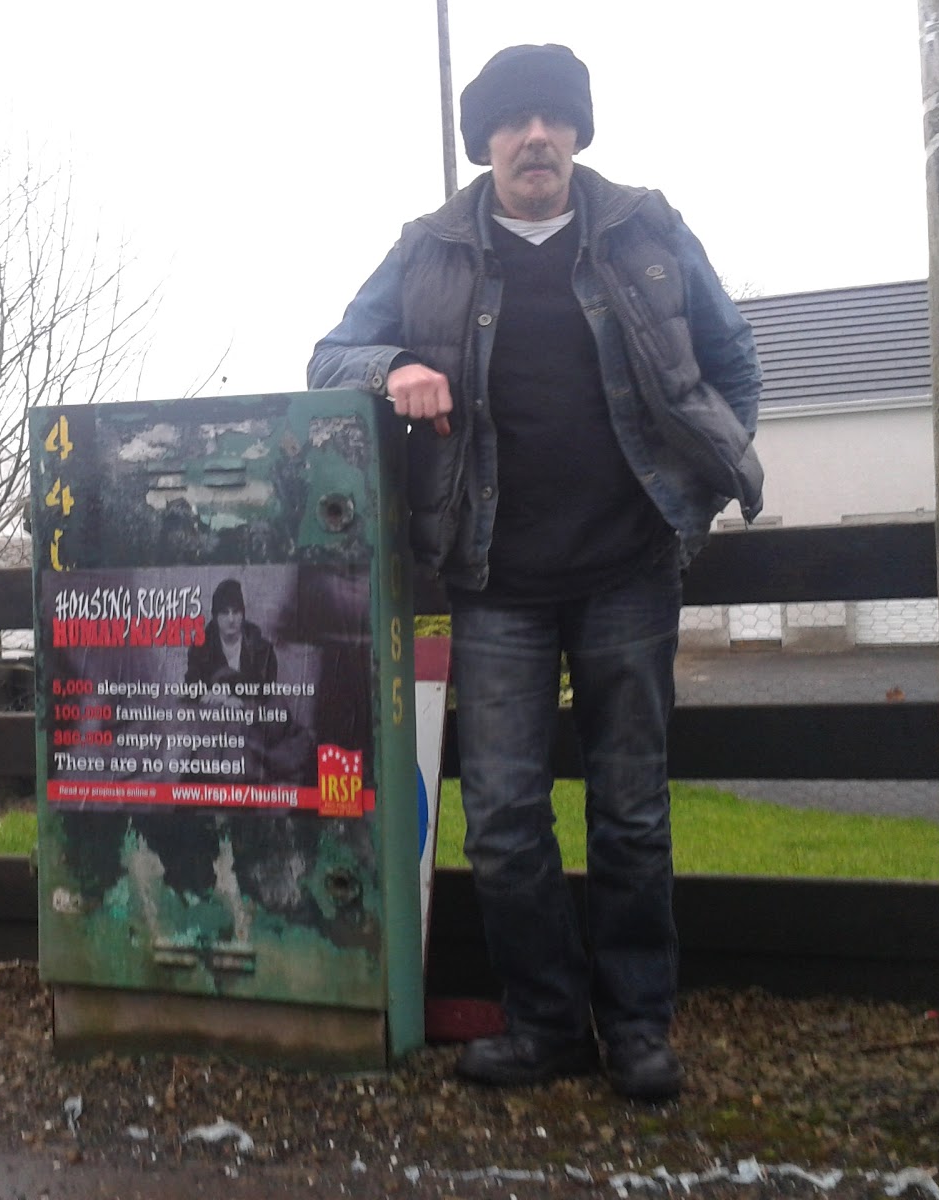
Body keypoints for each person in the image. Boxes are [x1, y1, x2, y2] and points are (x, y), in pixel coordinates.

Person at [307, 44, 763, 1101]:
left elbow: (733, 362)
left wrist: (696, 494)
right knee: (505, 822)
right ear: (485, 143)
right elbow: (330, 355)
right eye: (514, 122)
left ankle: (638, 1028)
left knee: (631, 813)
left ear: (578, 133)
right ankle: (547, 1023)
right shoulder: (428, 249)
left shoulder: (644, 227)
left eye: (554, 118)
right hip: (494, 580)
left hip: (628, 570)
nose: (536, 137)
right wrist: (395, 367)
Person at [185, 579, 278, 691]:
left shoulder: (263, 651)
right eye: (224, 612)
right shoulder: (199, 651)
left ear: (243, 614)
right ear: (215, 616)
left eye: (236, 612)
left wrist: (238, 698)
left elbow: (267, 692)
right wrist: (208, 696)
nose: (231, 619)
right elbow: (191, 690)